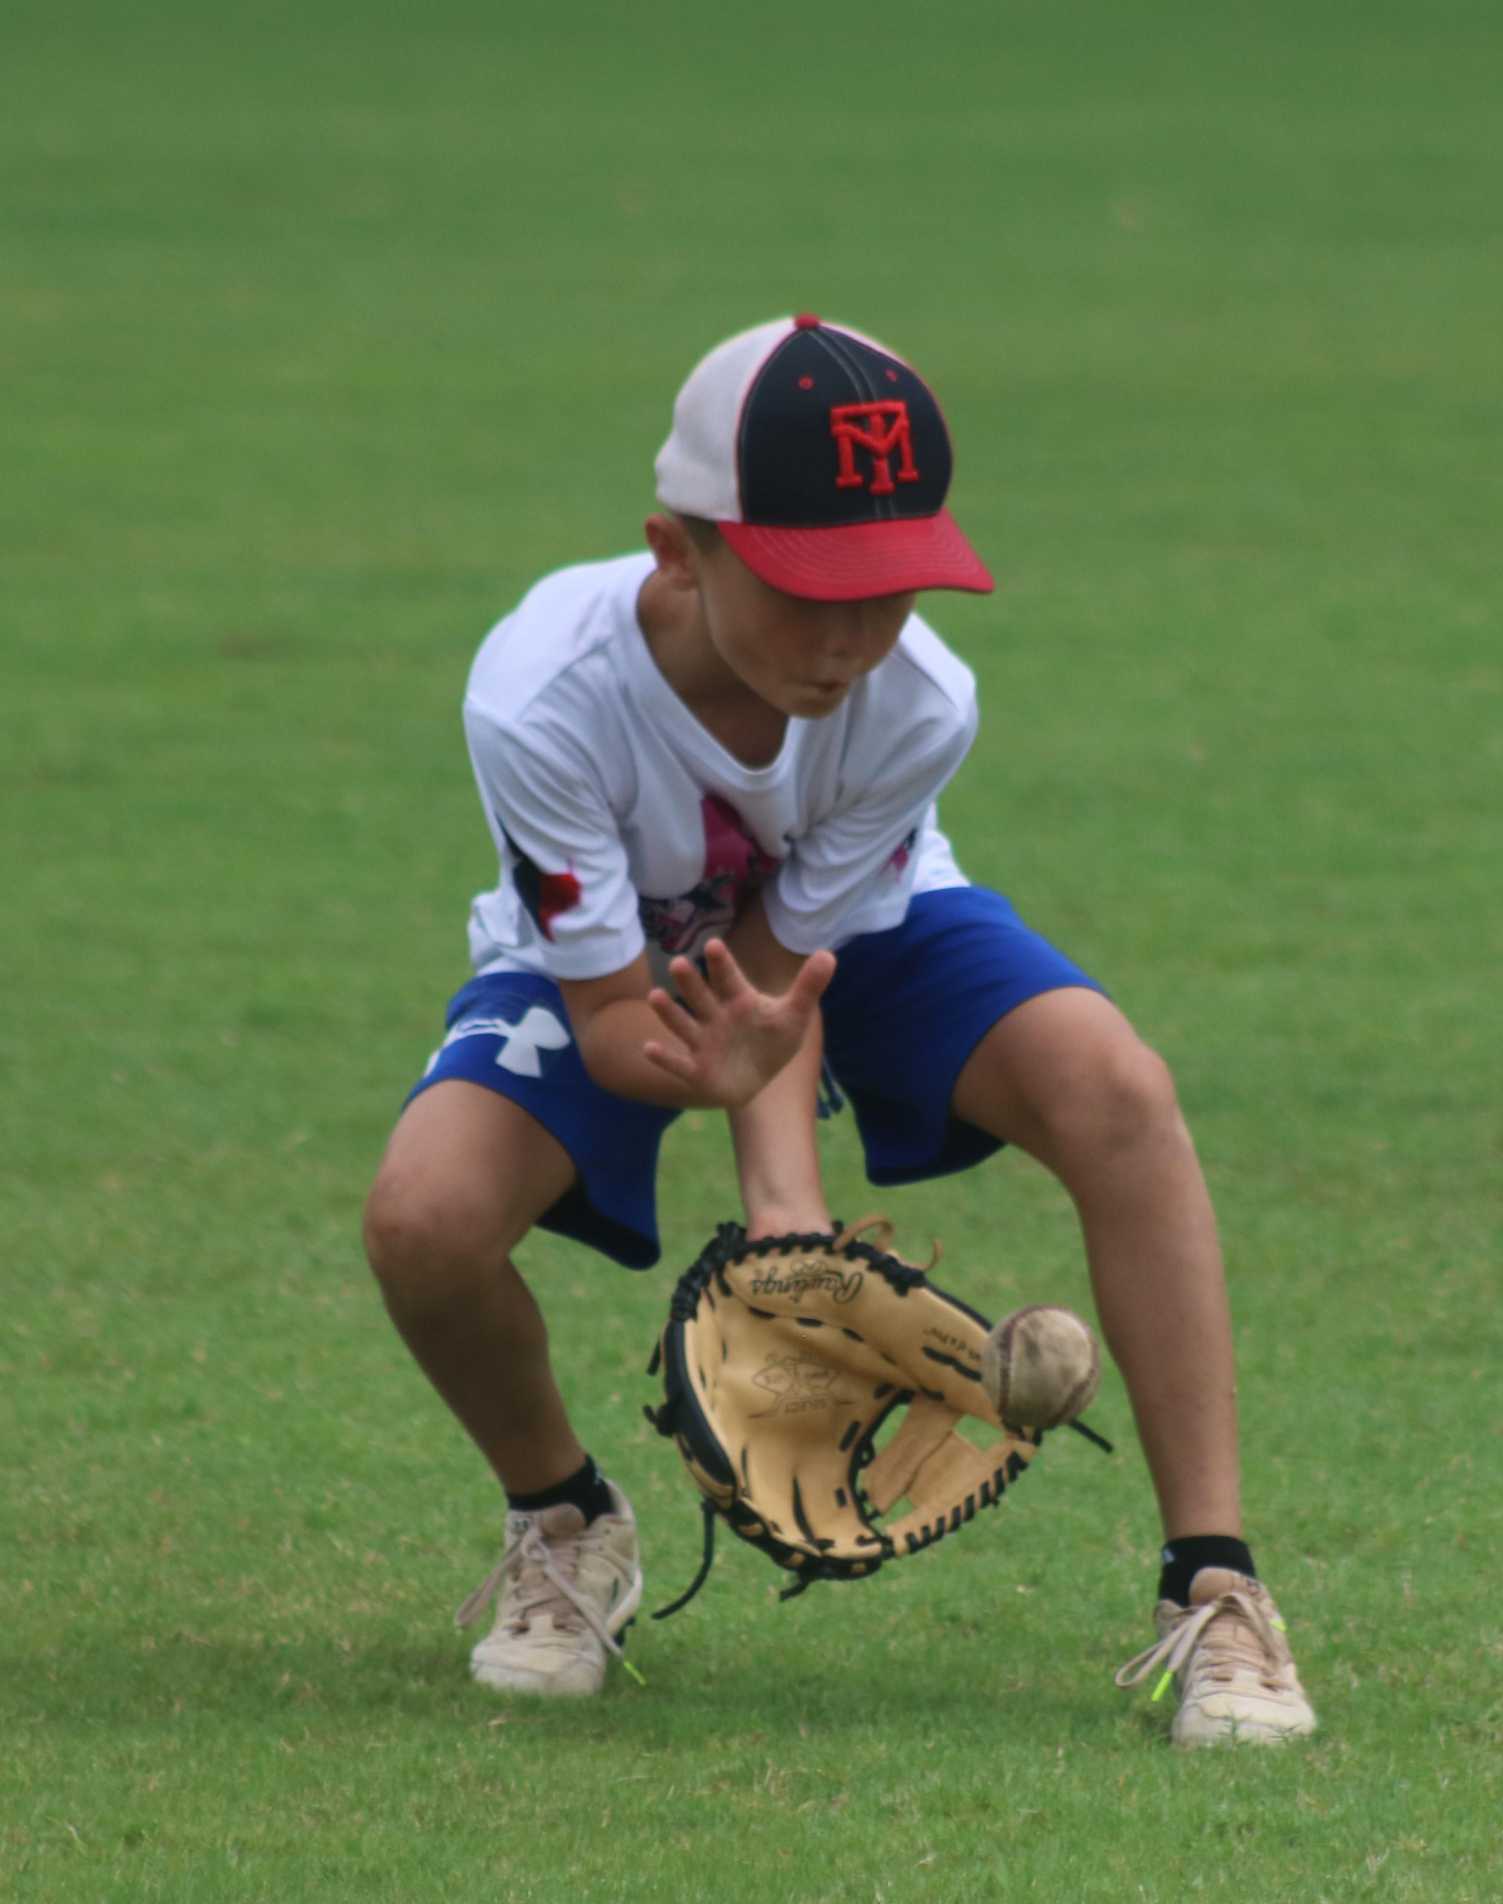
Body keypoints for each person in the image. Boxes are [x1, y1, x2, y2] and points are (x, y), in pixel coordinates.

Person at [362, 313, 1316, 1746]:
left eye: (889, 588)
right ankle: (564, 1519)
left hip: (834, 937)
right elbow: (627, 1017)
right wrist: (758, 1176)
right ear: (680, 549)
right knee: (422, 1224)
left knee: (1116, 1089)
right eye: (813, 589)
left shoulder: (914, 702)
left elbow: (784, 966)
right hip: (614, 972)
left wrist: (783, 1222)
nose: (854, 638)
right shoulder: (541, 692)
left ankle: (1217, 1586)